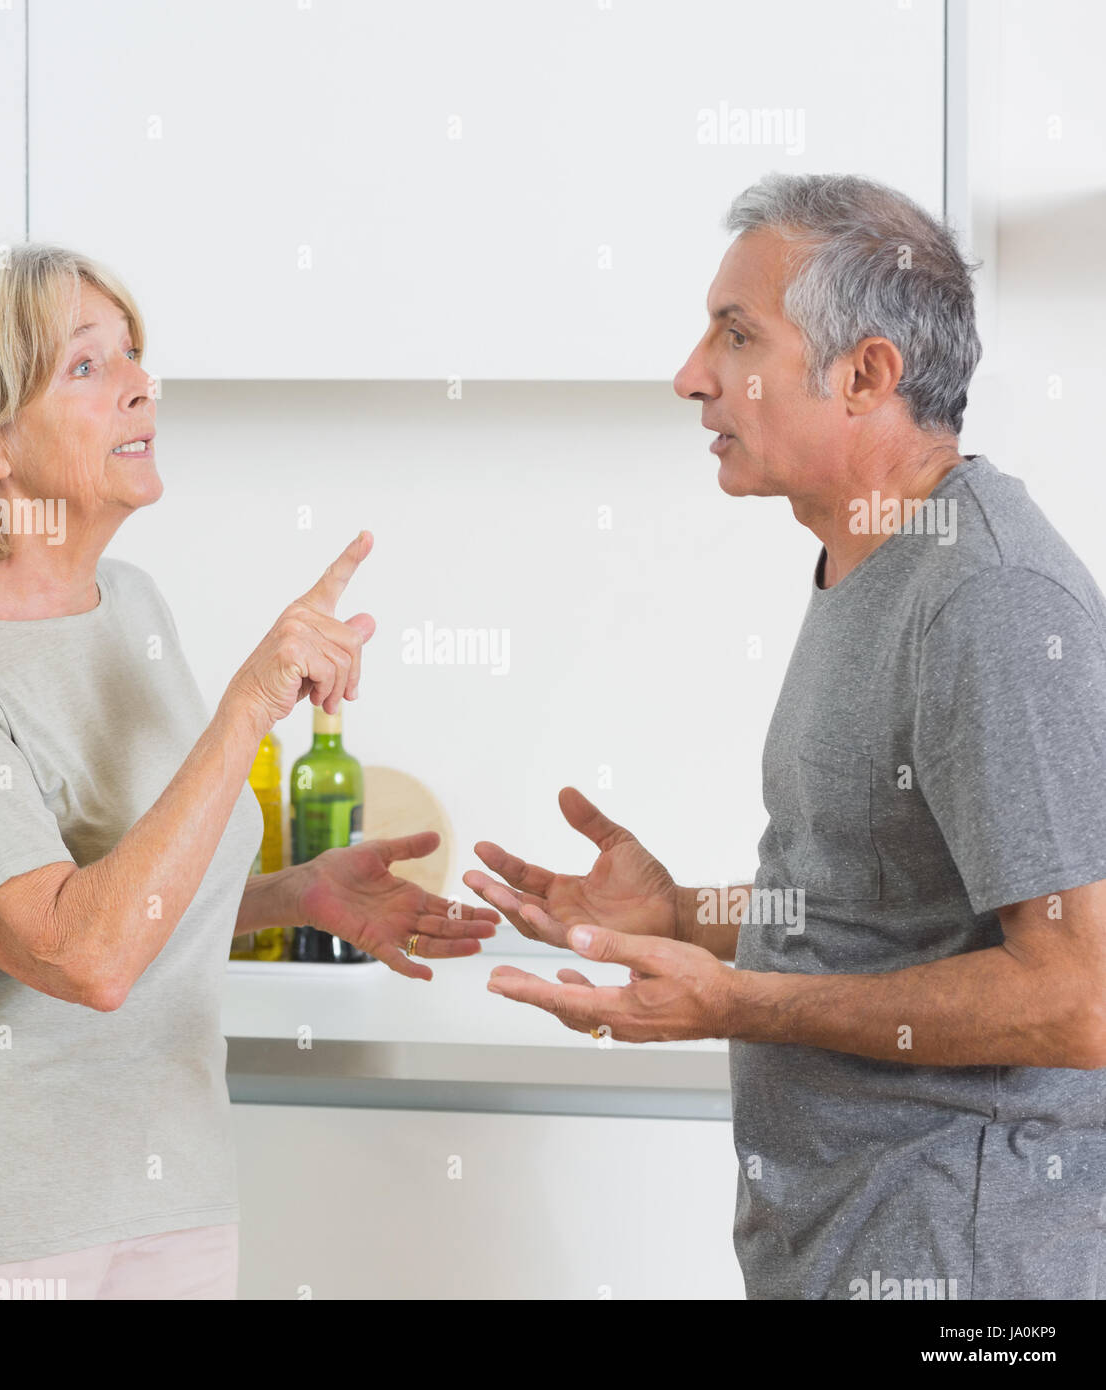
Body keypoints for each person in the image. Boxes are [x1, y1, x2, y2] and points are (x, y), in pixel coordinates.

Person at [465, 173, 1106, 1300]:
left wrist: (740, 1002)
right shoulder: (870, 563)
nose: (690, 375)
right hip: (845, 1246)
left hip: (968, 1265)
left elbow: (1078, 996)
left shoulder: (988, 598)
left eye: (736, 334)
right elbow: (864, 910)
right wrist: (680, 919)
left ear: (865, 374)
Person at [0, 243, 498, 1300]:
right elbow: (83, 955)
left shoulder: (129, 605)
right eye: (86, 365)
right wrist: (246, 706)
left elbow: (137, 893)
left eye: (133, 351)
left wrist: (289, 894)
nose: (142, 382)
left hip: (166, 1192)